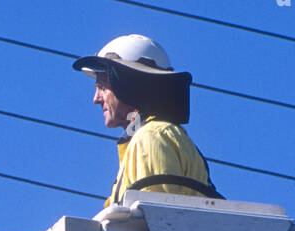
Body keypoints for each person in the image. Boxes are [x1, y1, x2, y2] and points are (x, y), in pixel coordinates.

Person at [72, 34, 221, 207]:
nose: (96, 99)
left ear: (129, 85)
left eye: (102, 87)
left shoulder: (151, 137)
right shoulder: (153, 136)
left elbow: (160, 221)